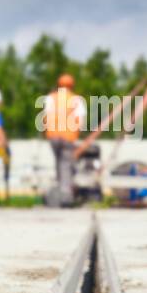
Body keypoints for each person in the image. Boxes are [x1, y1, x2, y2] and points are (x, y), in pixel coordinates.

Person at [43, 73, 83, 207]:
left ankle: (60, 191)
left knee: (59, 163)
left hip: (53, 135)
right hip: (68, 136)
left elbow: (45, 117)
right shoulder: (75, 99)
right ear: (72, 85)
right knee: (66, 165)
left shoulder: (51, 98)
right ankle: (66, 197)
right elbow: (81, 119)